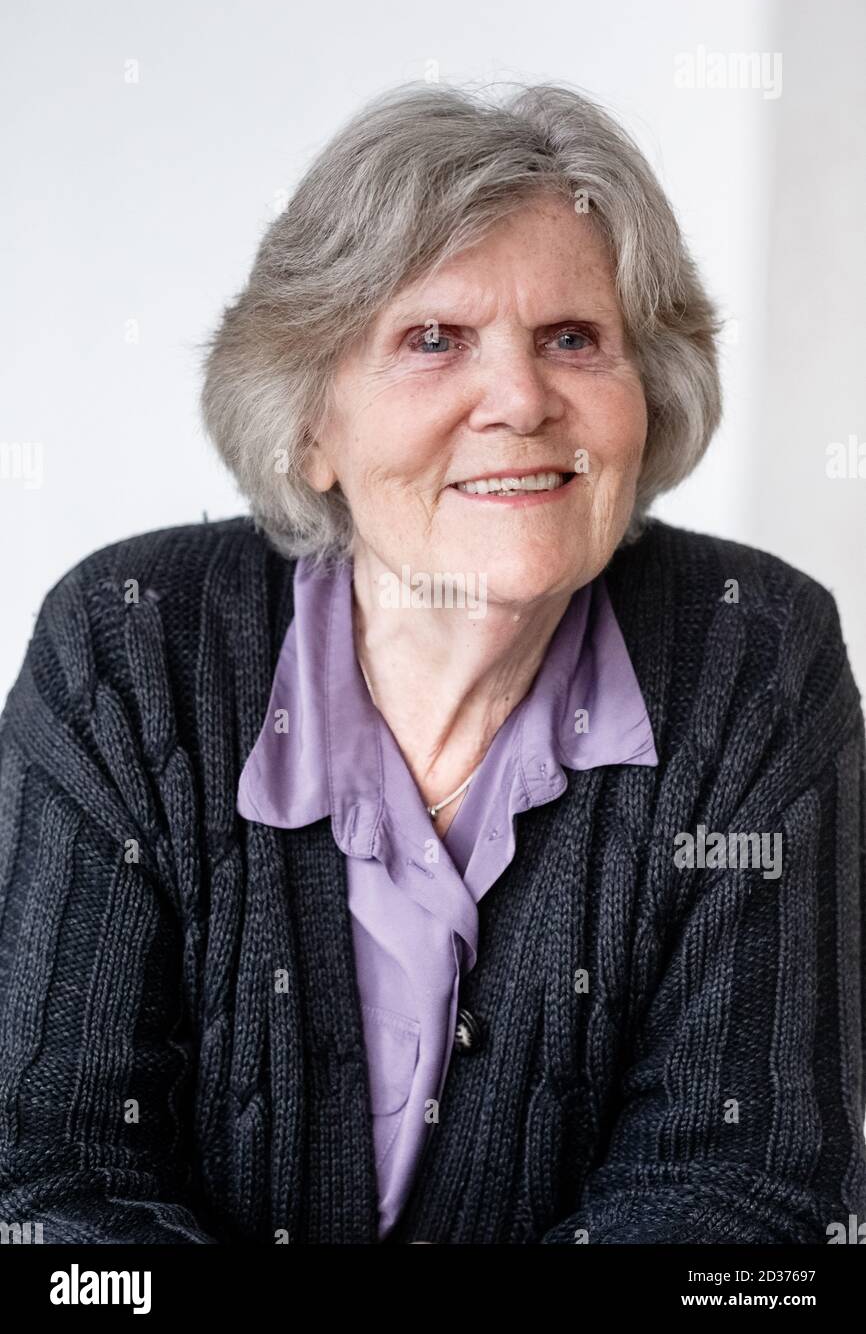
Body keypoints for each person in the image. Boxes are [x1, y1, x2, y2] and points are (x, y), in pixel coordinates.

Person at [1, 81, 864, 1244]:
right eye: (431, 339)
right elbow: (44, 1183)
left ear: (645, 402)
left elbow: (746, 1200)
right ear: (310, 425)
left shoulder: (754, 656)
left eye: (572, 338)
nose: (517, 398)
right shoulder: (131, 644)